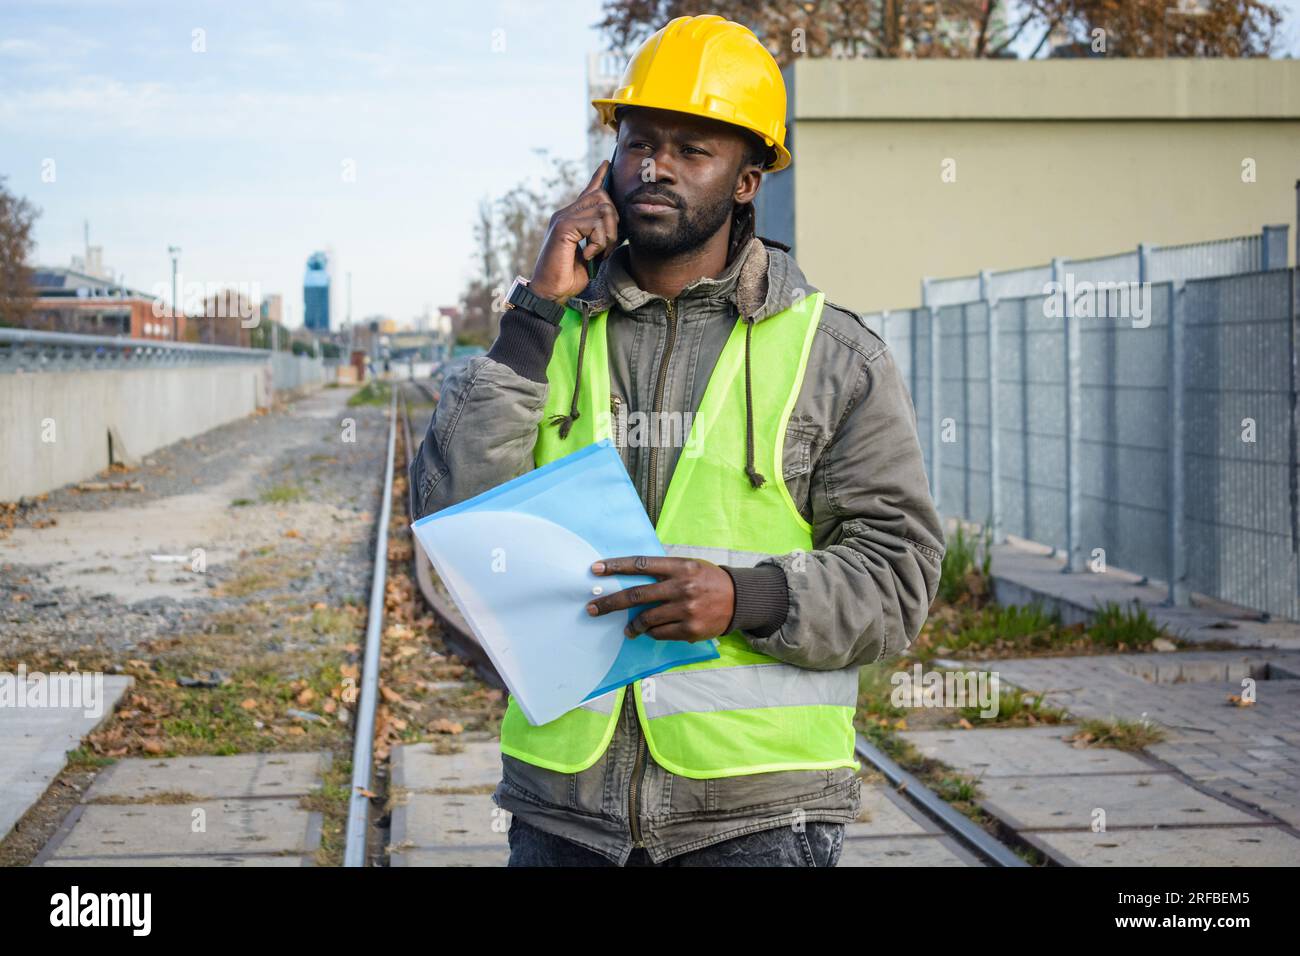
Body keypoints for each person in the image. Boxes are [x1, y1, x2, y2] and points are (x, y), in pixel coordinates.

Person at [409, 13, 943, 867]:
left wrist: (748, 598)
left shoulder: (833, 356)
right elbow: (449, 515)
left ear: (747, 179)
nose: (654, 167)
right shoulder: (546, 334)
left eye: (693, 149)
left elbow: (900, 575)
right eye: (638, 142)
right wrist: (534, 311)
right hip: (563, 810)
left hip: (757, 818)